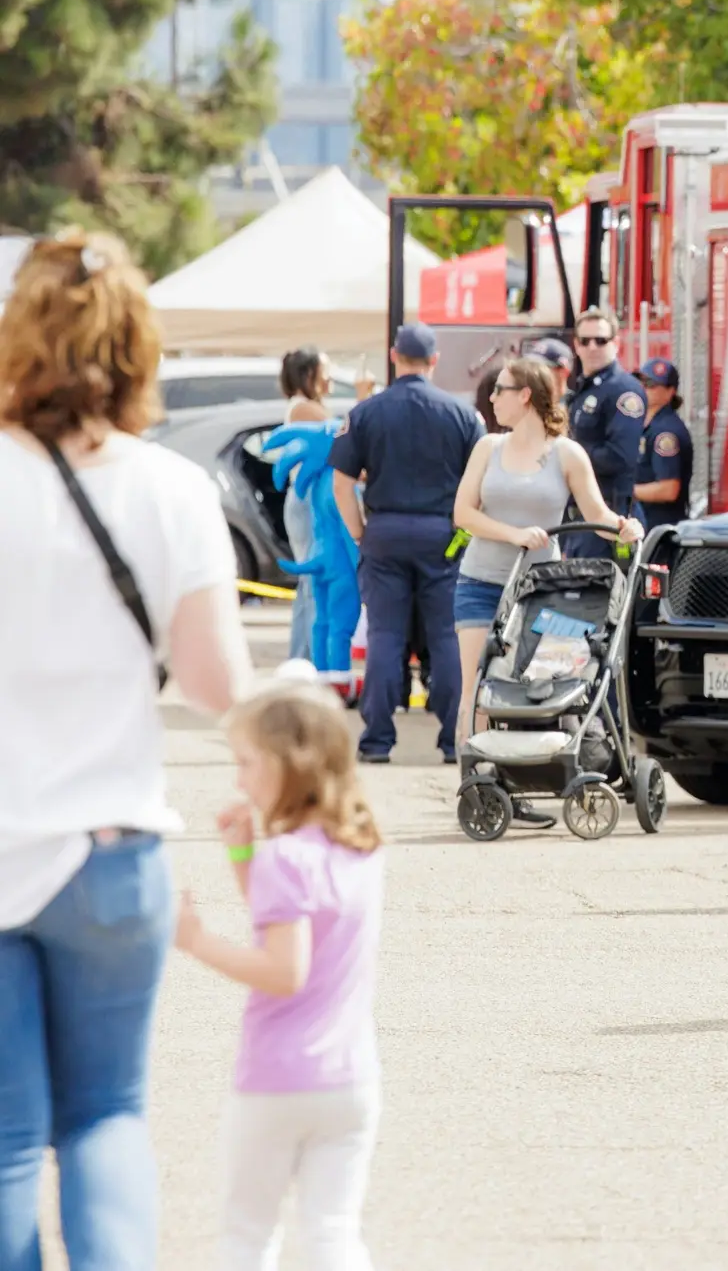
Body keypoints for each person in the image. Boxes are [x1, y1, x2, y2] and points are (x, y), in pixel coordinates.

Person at [0, 231, 254, 1266]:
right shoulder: (172, 490)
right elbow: (212, 684)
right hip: (113, 852)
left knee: (10, 1142)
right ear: (141, 347)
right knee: (107, 1116)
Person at [171, 684, 385, 1270]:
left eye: (246, 763)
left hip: (278, 1079)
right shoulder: (360, 848)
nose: (239, 780)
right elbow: (283, 923)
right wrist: (243, 855)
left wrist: (195, 941)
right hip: (349, 1080)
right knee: (334, 1233)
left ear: (291, 765)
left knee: (247, 1236)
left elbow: (283, 970)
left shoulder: (286, 859)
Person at [451, 357, 643, 748]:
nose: (491, 398)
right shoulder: (488, 447)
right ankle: (478, 787)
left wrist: (627, 529)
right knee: (476, 692)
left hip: (539, 593)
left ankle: (521, 775)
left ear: (524, 396)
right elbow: (463, 514)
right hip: (480, 583)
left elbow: (598, 517)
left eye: (500, 390)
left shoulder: (567, 454)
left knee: (537, 687)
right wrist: (514, 534)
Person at [329, 321, 484, 764]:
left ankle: (377, 740)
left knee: (384, 635)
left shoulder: (365, 413)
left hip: (385, 532)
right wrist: (462, 536)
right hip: (444, 536)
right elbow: (480, 486)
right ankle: (455, 740)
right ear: (435, 361)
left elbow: (341, 484)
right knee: (447, 637)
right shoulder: (462, 414)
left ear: (394, 357)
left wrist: (360, 532)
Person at [561, 307, 647, 560]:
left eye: (601, 340)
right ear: (575, 345)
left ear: (616, 343)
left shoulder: (623, 391)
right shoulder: (584, 389)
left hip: (613, 517)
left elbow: (620, 456)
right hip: (581, 518)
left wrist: (569, 454)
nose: (592, 347)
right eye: (585, 341)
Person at [280, 347, 331, 662]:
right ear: (308, 374)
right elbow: (347, 429)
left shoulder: (303, 408)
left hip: (308, 500)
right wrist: (366, 397)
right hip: (307, 500)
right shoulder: (302, 409)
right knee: (314, 583)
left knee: (308, 585)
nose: (329, 380)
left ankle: (301, 659)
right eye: (325, 372)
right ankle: (312, 661)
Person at [632, 357, 693, 529]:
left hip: (661, 530)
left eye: (651, 384)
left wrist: (625, 492)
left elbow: (668, 489)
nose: (643, 388)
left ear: (670, 391)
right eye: (641, 381)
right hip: (646, 524)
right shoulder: (646, 424)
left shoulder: (666, 433)